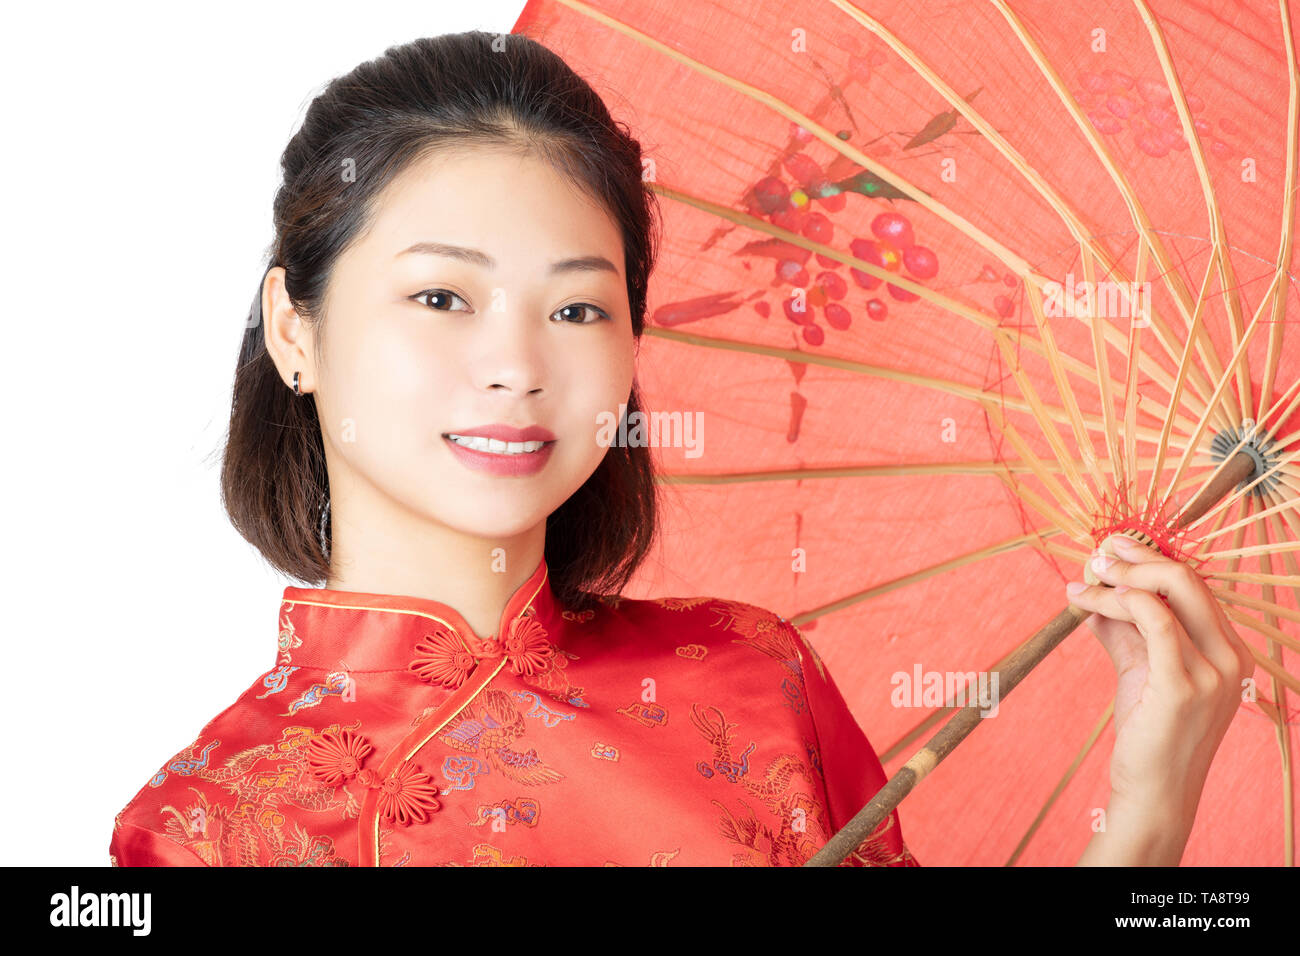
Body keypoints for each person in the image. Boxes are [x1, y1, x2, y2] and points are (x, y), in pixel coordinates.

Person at [108, 30, 1249, 868]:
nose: (515, 366)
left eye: (575, 310)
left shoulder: (753, 680)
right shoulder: (209, 829)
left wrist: (1145, 808)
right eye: (443, 296)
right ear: (293, 326)